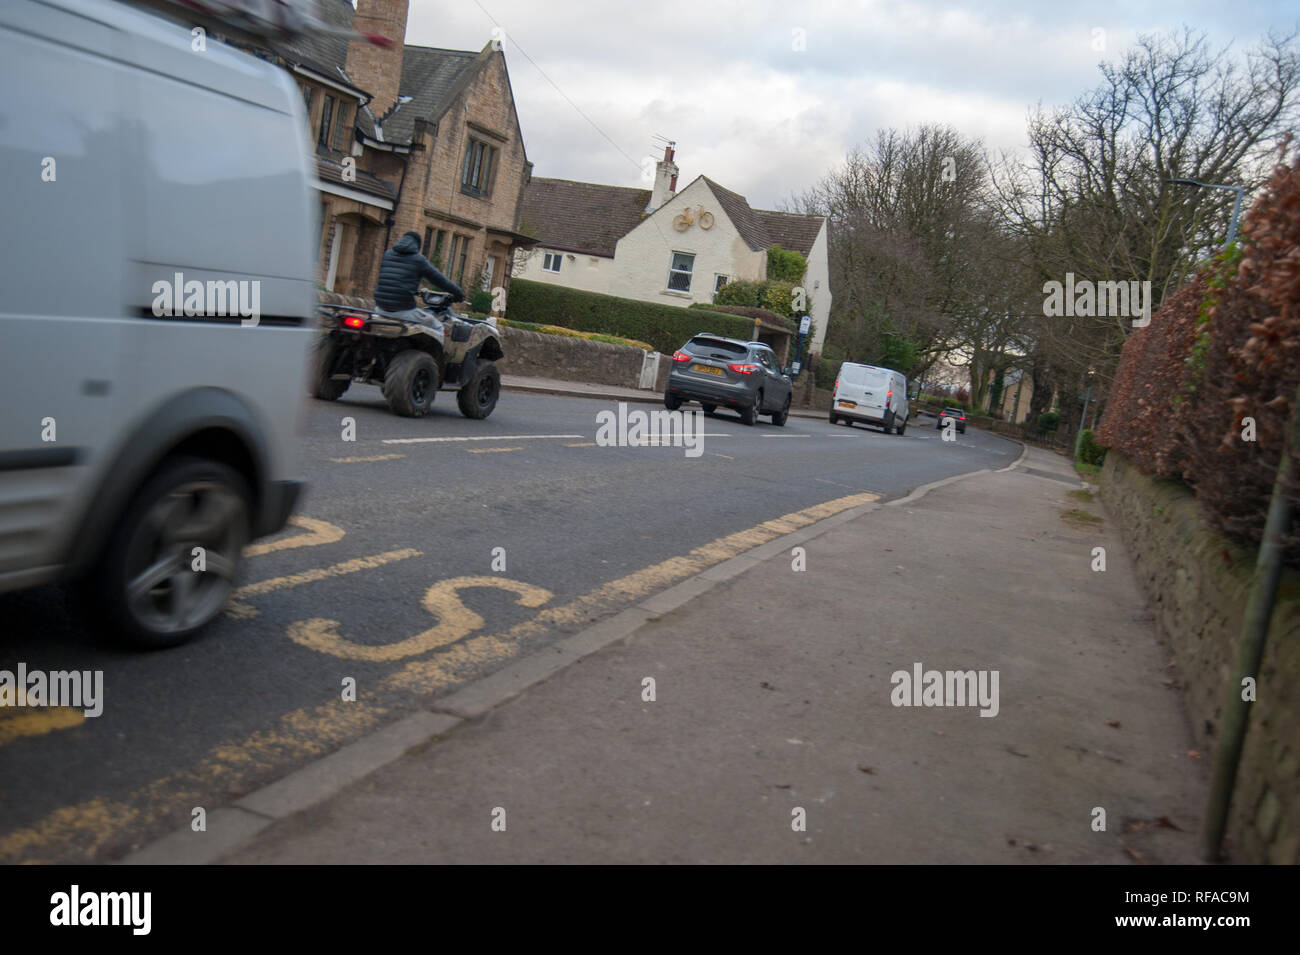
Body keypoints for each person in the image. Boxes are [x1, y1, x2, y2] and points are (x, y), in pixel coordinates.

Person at [372, 231, 465, 323]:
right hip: (403, 309)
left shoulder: (388, 254)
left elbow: (391, 278)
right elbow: (439, 280)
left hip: (380, 307)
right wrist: (458, 293)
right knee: (437, 326)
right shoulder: (418, 259)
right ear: (417, 244)